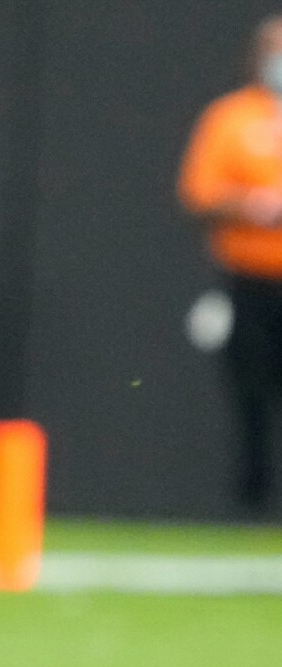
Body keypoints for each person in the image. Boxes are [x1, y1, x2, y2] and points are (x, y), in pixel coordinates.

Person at [178, 14, 282, 515]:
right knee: (252, 396)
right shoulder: (232, 118)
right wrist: (251, 204)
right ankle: (253, 509)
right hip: (250, 282)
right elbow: (199, 194)